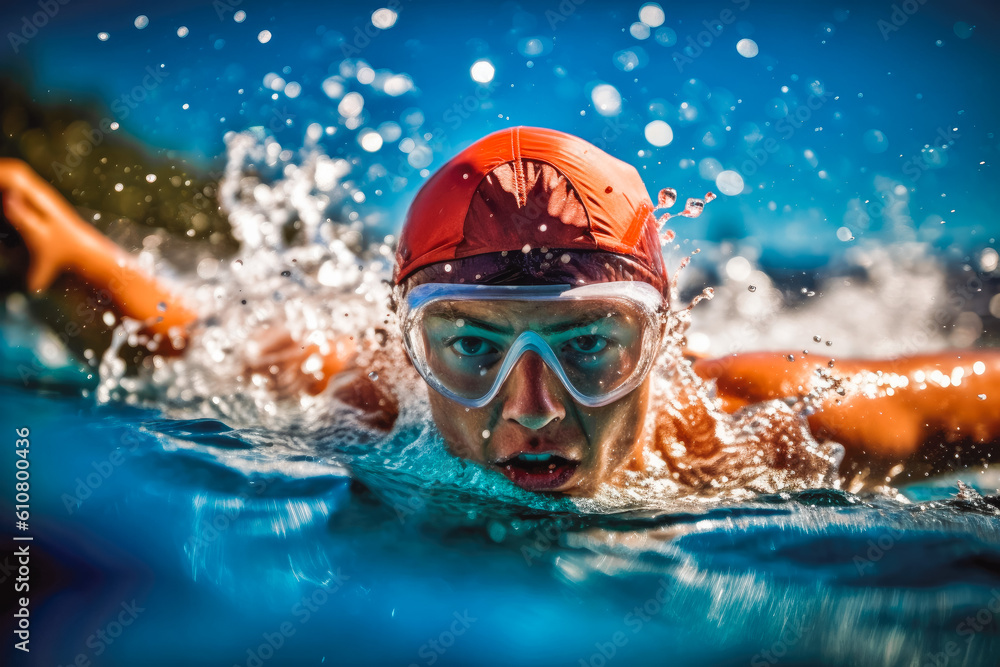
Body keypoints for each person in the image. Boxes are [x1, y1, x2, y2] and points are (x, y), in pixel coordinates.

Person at [2, 126, 998, 495]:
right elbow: (173, 344)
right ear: (407, 342)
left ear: (664, 338)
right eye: (469, 344)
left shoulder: (768, 431)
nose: (531, 406)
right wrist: (60, 254)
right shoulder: (362, 401)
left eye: (590, 344)